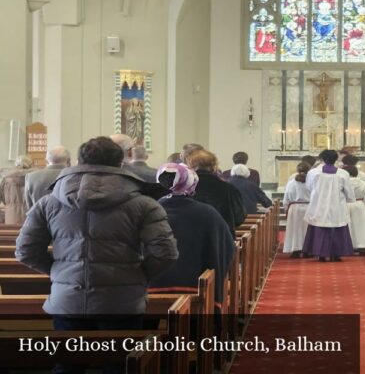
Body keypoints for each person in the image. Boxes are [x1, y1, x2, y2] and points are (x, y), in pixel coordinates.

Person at [15, 136, 177, 372]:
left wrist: (61, 272)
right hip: (122, 302)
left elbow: (26, 251)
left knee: (68, 366)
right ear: (121, 163)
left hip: (68, 299)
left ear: (79, 162)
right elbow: (165, 253)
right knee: (118, 366)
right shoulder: (145, 204)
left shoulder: (48, 203)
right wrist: (137, 275)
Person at [149, 163, 234, 307]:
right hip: (196, 289)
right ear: (191, 183)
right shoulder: (208, 213)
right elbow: (227, 248)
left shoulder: (146, 212)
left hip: (149, 288)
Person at [302, 149, 356, 262]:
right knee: (337, 228)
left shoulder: (313, 173)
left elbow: (308, 188)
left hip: (318, 205)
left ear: (322, 159)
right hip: (336, 206)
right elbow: (349, 193)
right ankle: (336, 254)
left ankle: (319, 253)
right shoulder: (343, 174)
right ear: (336, 159)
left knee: (319, 228)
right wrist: (349, 199)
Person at [186, 149, 246, 236]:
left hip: (191, 239)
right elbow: (239, 217)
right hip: (222, 239)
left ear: (190, 167)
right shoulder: (228, 188)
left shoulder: (185, 188)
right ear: (214, 167)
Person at [283, 163, 311, 258]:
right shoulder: (311, 182)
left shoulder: (291, 183)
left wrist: (286, 208)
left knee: (295, 230)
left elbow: (286, 198)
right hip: (308, 207)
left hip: (294, 208)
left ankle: (295, 250)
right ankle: (308, 250)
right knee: (307, 230)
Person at [345, 165, 365, 255]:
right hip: (359, 205)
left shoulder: (344, 183)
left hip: (346, 205)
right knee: (361, 226)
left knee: (348, 226)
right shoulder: (363, 183)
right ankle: (362, 247)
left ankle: (347, 246)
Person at [0, 155, 35, 225]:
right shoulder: (35, 178)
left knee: (10, 235)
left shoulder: (6, 180)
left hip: (11, 216)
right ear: (31, 164)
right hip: (31, 216)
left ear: (16, 164)